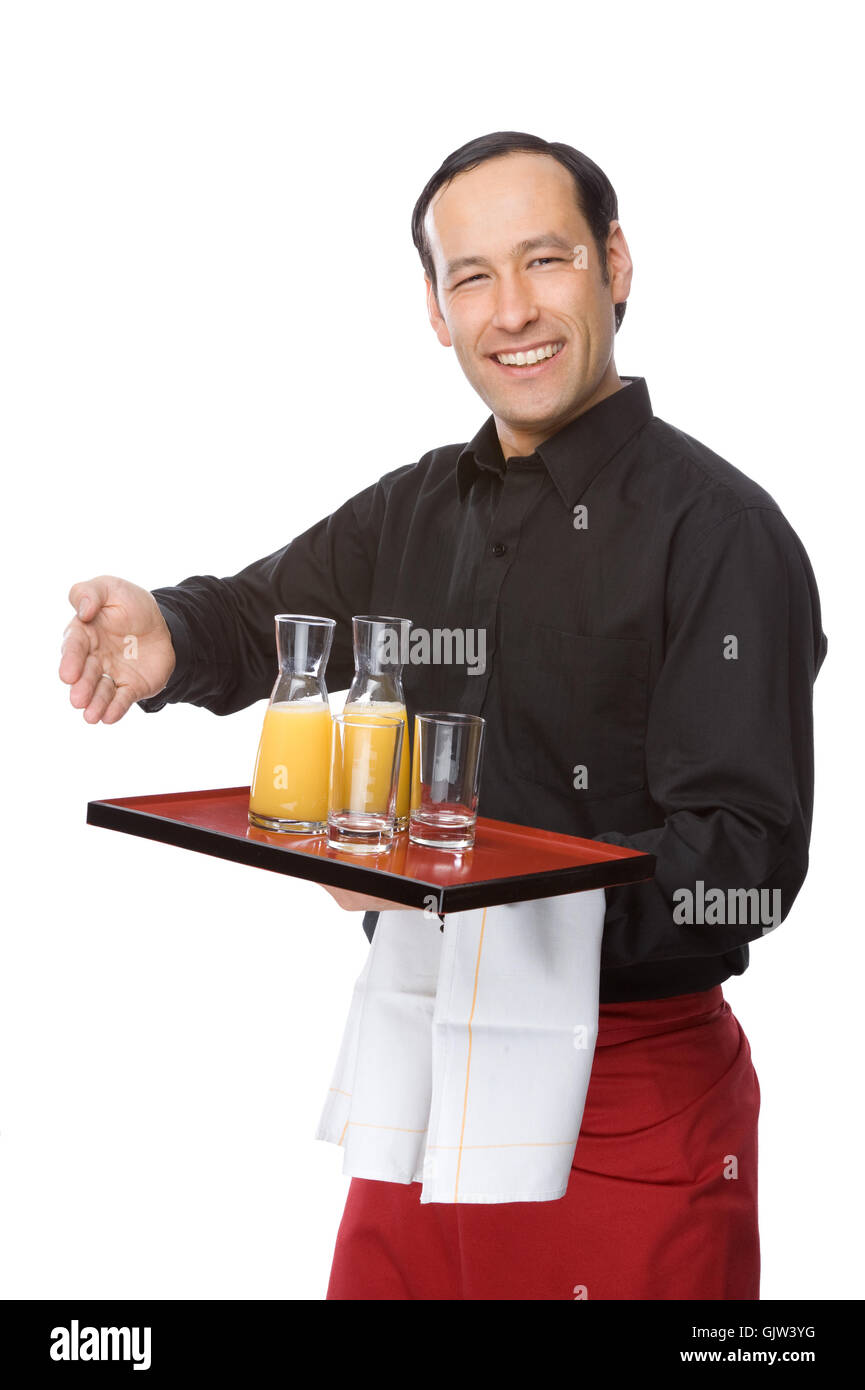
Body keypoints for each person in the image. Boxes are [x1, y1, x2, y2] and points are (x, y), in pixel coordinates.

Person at [59, 131, 827, 1300]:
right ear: (433, 307)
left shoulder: (722, 534)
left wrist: (453, 892)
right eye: (471, 275)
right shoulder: (419, 505)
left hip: (625, 1100)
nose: (511, 309)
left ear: (615, 264)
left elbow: (748, 862)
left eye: (547, 260)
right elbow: (270, 615)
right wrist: (164, 637)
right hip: (418, 1068)